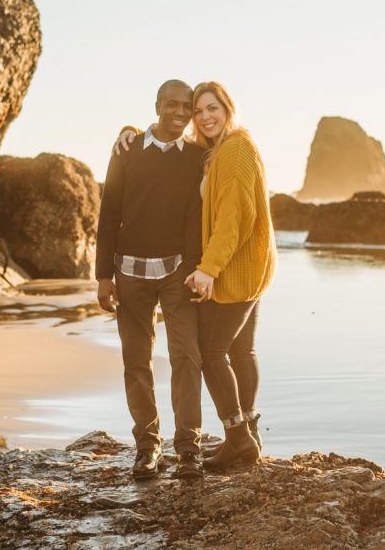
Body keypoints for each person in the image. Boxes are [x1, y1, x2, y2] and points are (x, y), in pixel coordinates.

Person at [115, 81, 276, 472]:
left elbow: (233, 220)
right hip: (250, 267)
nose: (204, 117)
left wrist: (208, 270)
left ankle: (238, 437)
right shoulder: (218, 149)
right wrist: (132, 132)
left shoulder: (234, 150)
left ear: (228, 109)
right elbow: (164, 147)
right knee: (241, 350)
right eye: (198, 110)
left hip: (235, 269)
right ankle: (249, 433)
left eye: (211, 109)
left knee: (210, 352)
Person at [95, 79, 207, 480]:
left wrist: (196, 267)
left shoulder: (196, 156)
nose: (179, 112)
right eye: (172, 104)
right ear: (157, 105)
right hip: (129, 274)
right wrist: (102, 276)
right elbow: (109, 215)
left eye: (187, 107)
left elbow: (196, 216)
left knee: (187, 358)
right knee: (136, 362)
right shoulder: (127, 152)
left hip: (178, 273)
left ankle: (189, 448)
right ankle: (148, 447)